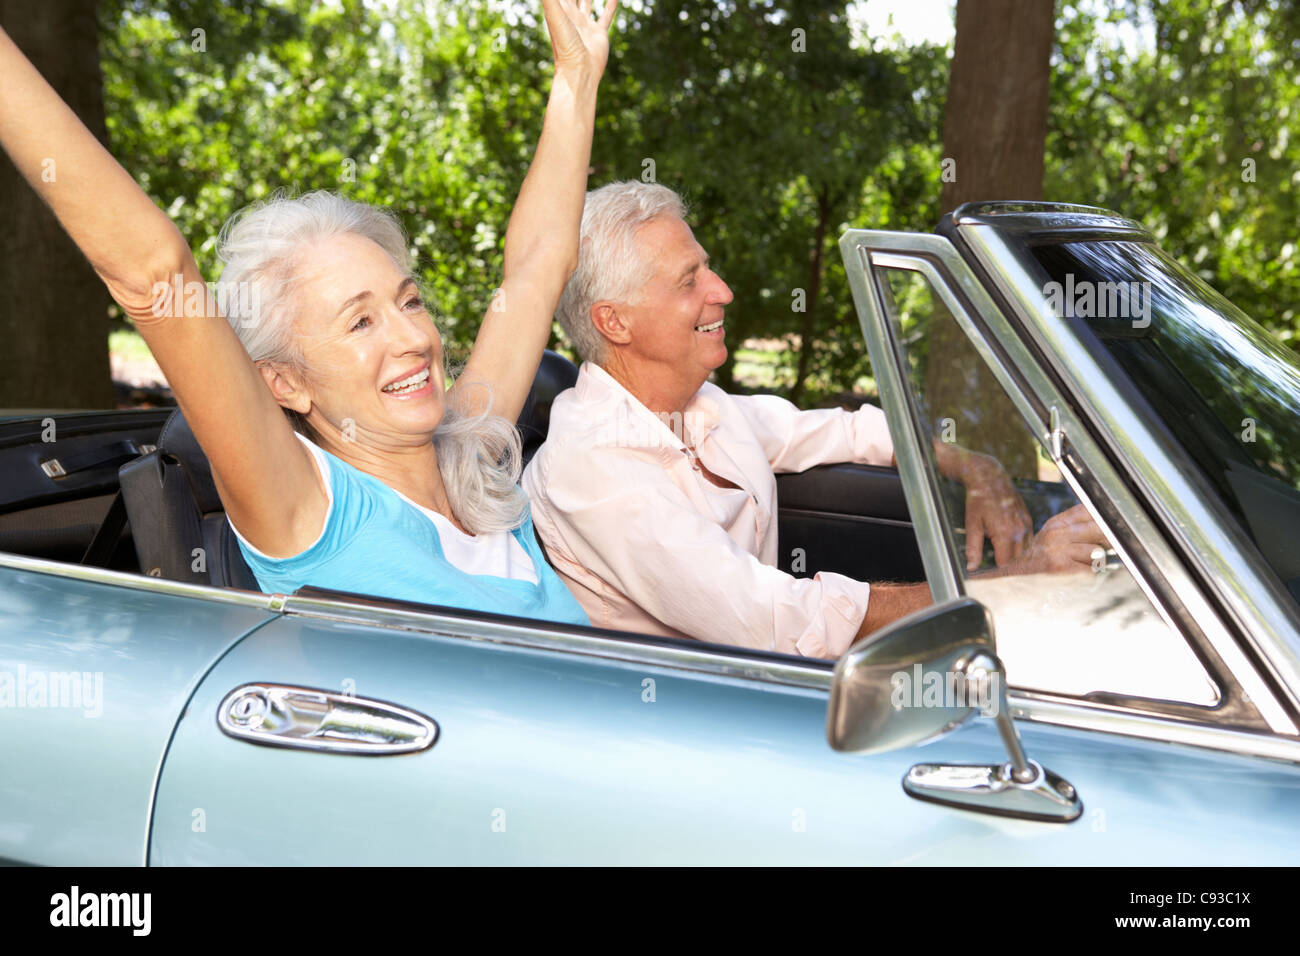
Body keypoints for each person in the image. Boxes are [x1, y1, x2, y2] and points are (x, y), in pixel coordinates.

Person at [0, 0, 618, 626]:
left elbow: (539, 266)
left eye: (409, 301)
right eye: (360, 322)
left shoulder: (471, 453)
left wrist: (577, 78)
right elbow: (154, 274)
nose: (412, 337)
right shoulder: (307, 506)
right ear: (285, 382)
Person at [523, 181, 1108, 657]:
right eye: (688, 280)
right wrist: (1015, 582)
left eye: (708, 268)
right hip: (678, 723)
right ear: (614, 322)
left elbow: (849, 430)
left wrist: (974, 467)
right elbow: (780, 620)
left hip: (753, 686)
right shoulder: (592, 468)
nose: (722, 291)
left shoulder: (703, 407)